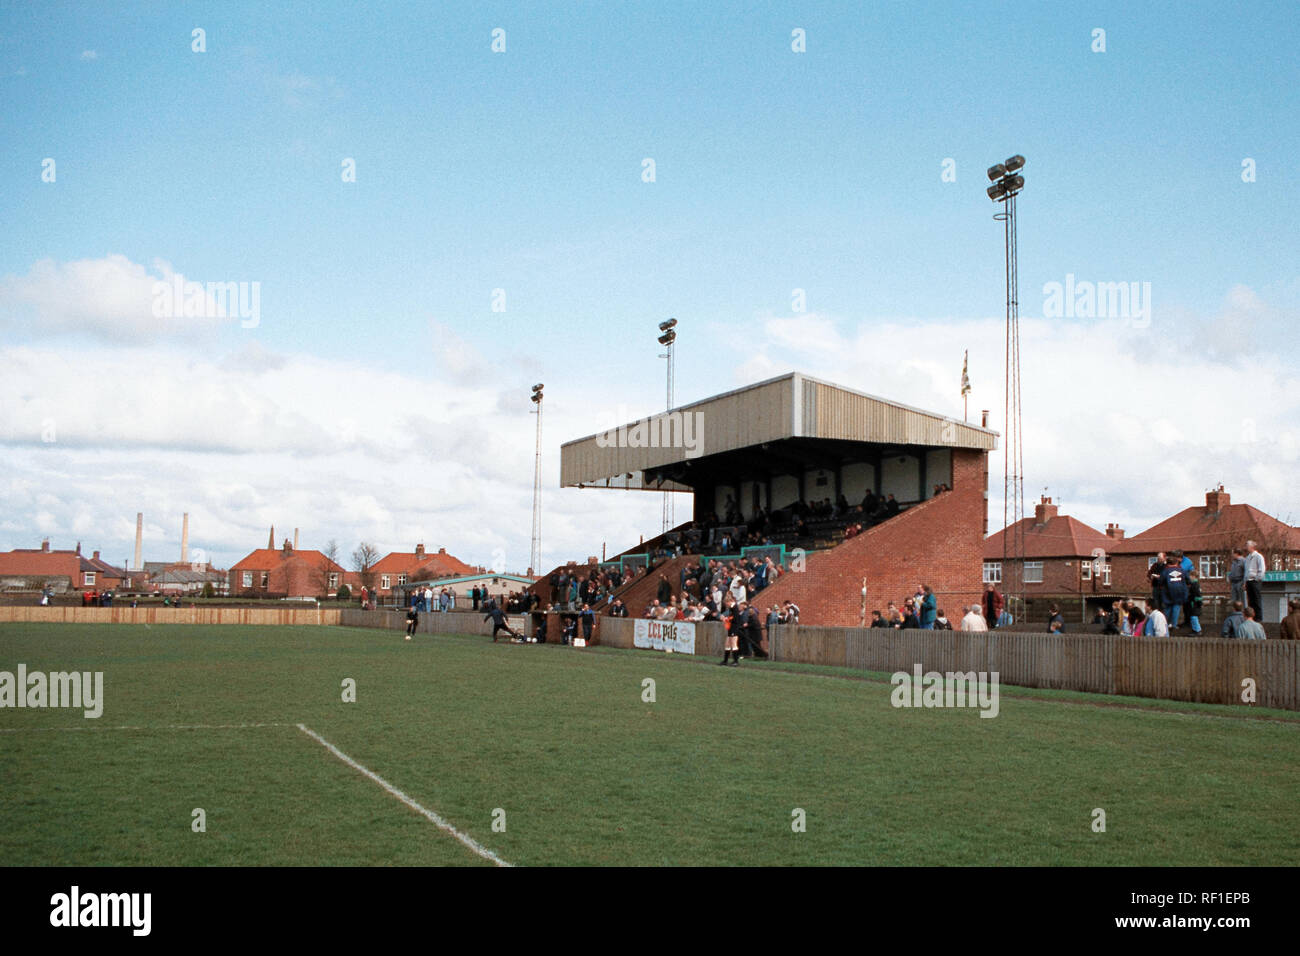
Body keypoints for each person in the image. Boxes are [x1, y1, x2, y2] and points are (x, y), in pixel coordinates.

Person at [1159, 555, 1188, 630]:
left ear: (1168, 563)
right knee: (1176, 608)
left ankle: (1165, 624)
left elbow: (1160, 581)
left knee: (1167, 608)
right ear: (1176, 563)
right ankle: (1174, 624)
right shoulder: (1182, 570)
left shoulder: (1165, 571)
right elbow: (1188, 580)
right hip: (1180, 592)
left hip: (1167, 593)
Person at [1244, 540, 1266, 624]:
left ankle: (1258, 618)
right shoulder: (1248, 557)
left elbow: (1262, 569)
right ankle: (1251, 616)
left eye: (1247, 546)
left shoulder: (1258, 556)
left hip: (1255, 580)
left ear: (1252, 547)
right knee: (1250, 600)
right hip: (1249, 580)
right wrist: (1245, 581)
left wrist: (1257, 578)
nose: (1246, 548)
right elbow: (1246, 571)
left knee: (1256, 599)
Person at [1185, 571, 1204, 635]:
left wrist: (1199, 603)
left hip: (1194, 604)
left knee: (1194, 616)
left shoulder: (1195, 585)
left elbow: (1198, 595)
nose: (1189, 577)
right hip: (1194, 603)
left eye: (1190, 576)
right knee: (1193, 616)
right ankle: (1195, 629)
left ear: (1193, 576)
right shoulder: (1194, 584)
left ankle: (1197, 630)